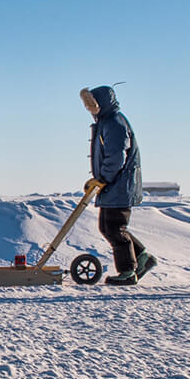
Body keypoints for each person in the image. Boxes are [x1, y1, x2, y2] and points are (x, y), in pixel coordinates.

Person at [80, 85, 156, 286]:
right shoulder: (107, 122)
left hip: (119, 185)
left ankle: (128, 272)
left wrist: (103, 178)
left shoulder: (114, 123)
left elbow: (116, 156)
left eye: (92, 105)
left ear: (102, 103)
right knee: (108, 227)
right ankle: (142, 258)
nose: (90, 109)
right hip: (113, 185)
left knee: (114, 228)